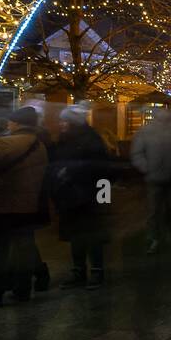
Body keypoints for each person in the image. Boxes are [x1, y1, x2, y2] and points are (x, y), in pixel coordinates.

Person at [0, 106, 49, 306]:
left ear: (17, 122)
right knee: (23, 250)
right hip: (28, 206)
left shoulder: (6, 144)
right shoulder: (39, 144)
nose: (7, 124)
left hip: (1, 206)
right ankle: (22, 291)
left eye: (10, 121)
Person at [49, 104, 113, 289]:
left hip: (88, 196)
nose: (61, 124)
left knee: (92, 236)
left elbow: (102, 169)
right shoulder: (64, 140)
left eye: (64, 121)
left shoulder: (91, 139)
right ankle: (79, 271)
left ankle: (96, 272)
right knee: (76, 236)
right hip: (71, 197)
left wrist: (104, 199)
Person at [131, 107, 171, 254]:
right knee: (159, 210)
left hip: (165, 177)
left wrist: (147, 168)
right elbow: (137, 154)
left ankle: (161, 239)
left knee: (164, 210)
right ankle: (161, 239)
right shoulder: (170, 132)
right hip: (161, 177)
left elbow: (137, 153)